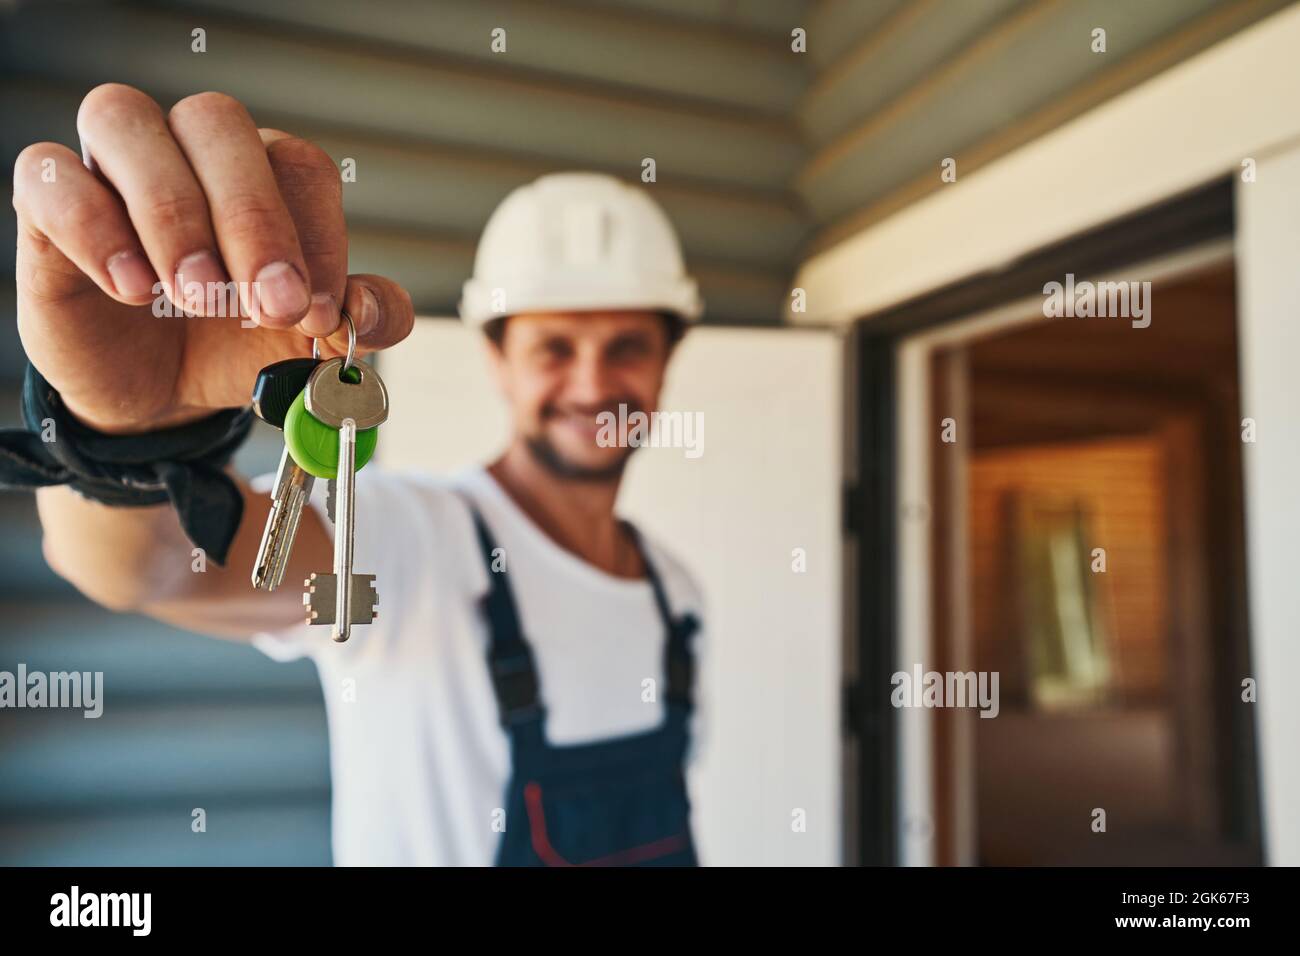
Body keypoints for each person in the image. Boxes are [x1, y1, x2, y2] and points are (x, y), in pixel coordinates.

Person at [9, 84, 707, 866]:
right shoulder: (411, 540)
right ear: (497, 360)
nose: (590, 385)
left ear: (667, 362)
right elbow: (148, 571)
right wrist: (130, 436)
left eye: (627, 347)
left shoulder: (675, 591)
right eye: (555, 348)